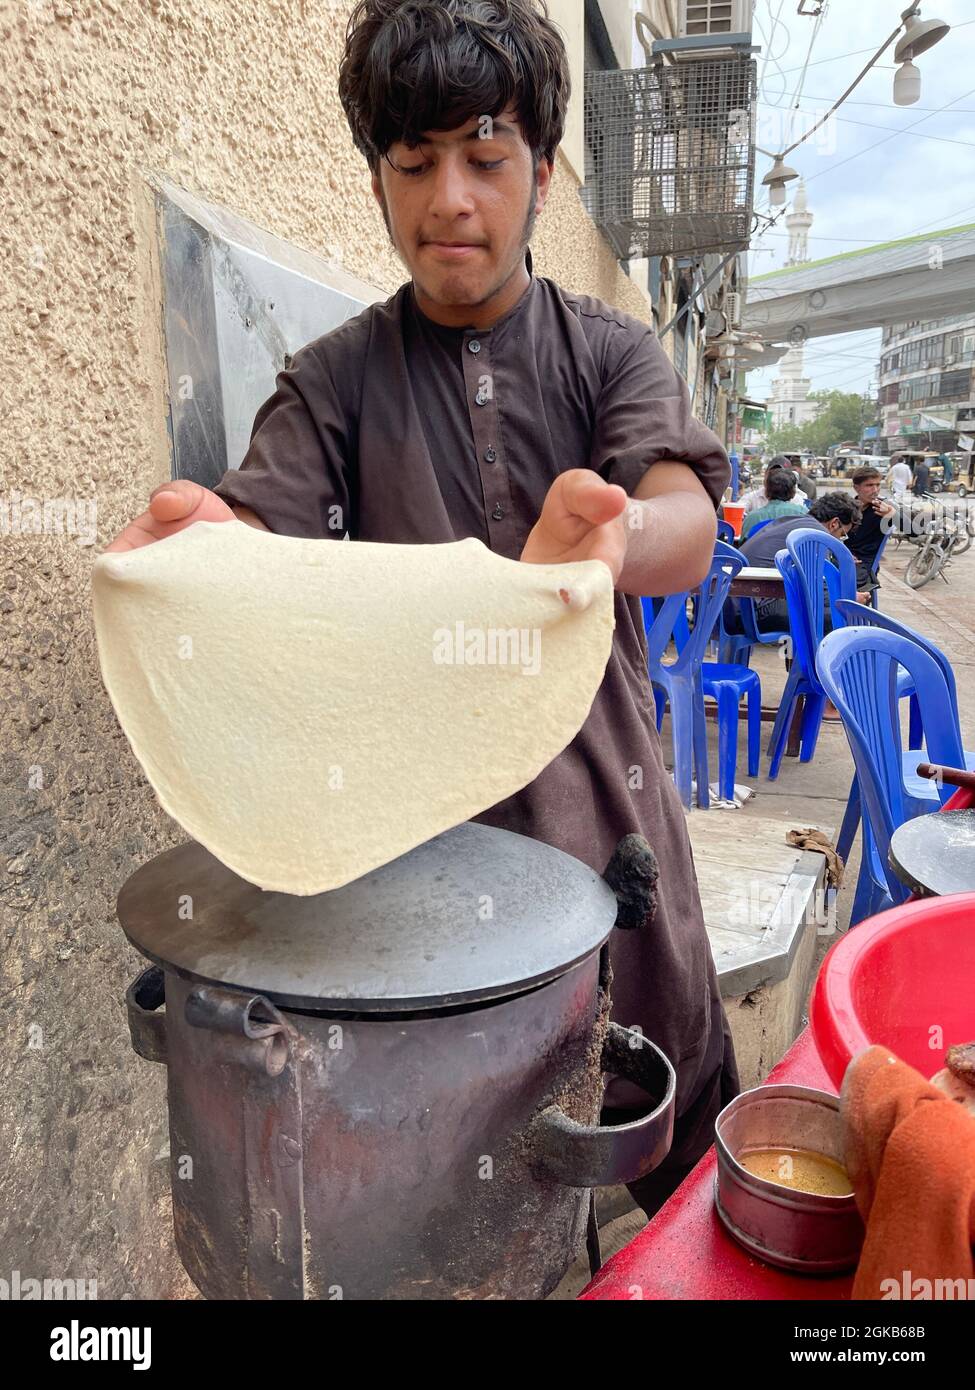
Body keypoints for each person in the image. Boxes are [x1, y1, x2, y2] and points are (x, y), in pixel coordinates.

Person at [105, 0, 738, 1218]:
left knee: (652, 1130)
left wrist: (614, 538)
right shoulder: (334, 382)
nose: (452, 198)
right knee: (452, 1173)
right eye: (415, 161)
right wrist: (193, 554)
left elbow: (687, 522)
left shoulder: (611, 352)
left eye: (487, 157)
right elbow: (257, 551)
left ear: (543, 175)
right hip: (408, 844)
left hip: (603, 807)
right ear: (380, 176)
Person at [723, 492, 865, 637]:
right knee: (845, 616)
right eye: (842, 535)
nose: (840, 540)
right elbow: (816, 592)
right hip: (749, 614)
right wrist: (849, 597)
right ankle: (814, 659)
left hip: (731, 608)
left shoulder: (794, 521)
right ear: (834, 523)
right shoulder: (815, 535)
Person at [846, 465, 895, 597]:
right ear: (856, 487)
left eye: (878, 485)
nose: (875, 490)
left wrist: (893, 514)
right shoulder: (847, 506)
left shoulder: (882, 508)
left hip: (863, 564)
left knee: (841, 581)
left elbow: (913, 530)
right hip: (841, 557)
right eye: (869, 485)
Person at [740, 466, 807, 538]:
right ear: (793, 492)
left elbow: (743, 544)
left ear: (766, 490)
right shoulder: (804, 514)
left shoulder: (752, 518)